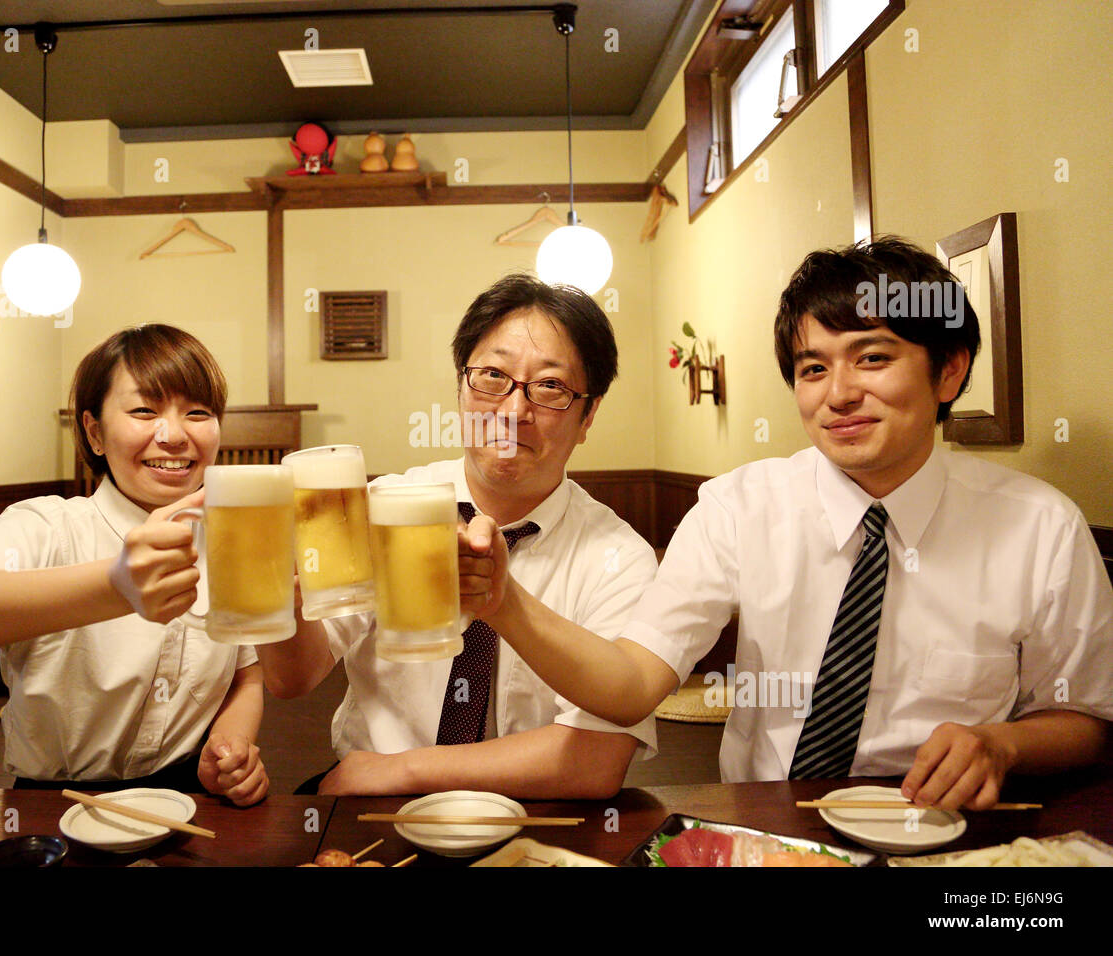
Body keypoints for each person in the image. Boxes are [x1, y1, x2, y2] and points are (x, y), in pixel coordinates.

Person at [470, 237, 1112, 810]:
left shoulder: (1040, 527)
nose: (838, 394)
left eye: (872, 358)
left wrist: (1002, 744)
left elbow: (1087, 720)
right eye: (813, 368)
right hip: (765, 832)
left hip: (948, 837)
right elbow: (633, 684)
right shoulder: (738, 508)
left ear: (949, 369)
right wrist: (505, 604)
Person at [258, 274, 658, 798]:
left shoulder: (619, 557)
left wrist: (404, 769)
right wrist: (281, 595)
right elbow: (294, 679)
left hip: (527, 814)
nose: (514, 412)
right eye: (492, 376)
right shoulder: (385, 507)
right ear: (461, 387)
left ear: (589, 415)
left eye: (551, 387)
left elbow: (595, 762)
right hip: (372, 808)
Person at [0, 324, 269, 805]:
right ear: (95, 432)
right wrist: (113, 585)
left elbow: (245, 671)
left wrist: (230, 745)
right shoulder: (46, 527)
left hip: (190, 801)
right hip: (52, 806)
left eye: (198, 413)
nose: (173, 435)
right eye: (144, 410)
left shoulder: (229, 543)